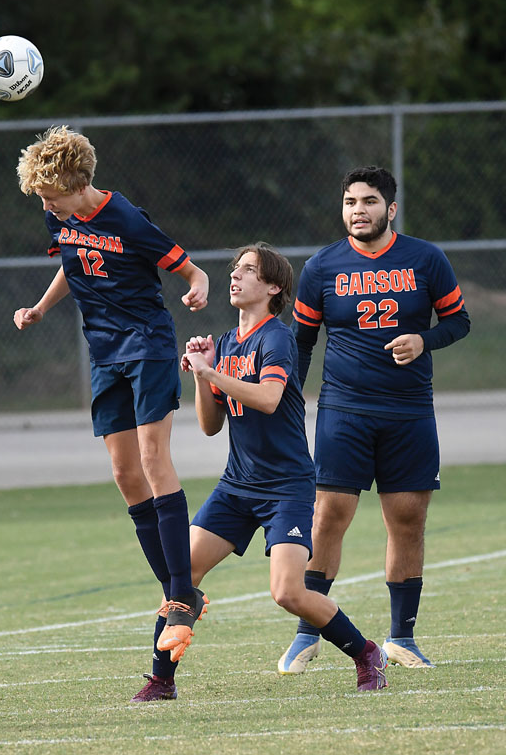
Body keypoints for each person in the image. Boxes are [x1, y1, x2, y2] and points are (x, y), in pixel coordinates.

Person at [131, 243, 388, 702]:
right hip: (237, 486)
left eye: (248, 270)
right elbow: (210, 426)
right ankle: (162, 681)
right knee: (180, 575)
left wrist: (211, 373)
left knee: (287, 592)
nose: (234, 275)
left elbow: (268, 399)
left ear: (272, 287)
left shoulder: (277, 338)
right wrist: (201, 375)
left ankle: (366, 653)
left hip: (286, 487)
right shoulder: (228, 342)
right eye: (235, 268)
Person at [13, 125, 210, 661]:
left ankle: (180, 594)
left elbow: (191, 270)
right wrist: (40, 308)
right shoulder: (62, 217)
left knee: (152, 459)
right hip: (104, 354)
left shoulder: (125, 219)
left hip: (147, 345)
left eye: (52, 197)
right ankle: (179, 590)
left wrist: (198, 288)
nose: (47, 208)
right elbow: (70, 262)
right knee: (125, 474)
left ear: (79, 186)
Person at [278, 166, 471, 675]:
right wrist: (287, 400)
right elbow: (301, 342)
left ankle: (401, 637)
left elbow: (459, 321)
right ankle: (307, 633)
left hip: (409, 410)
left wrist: (424, 339)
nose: (358, 210)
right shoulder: (322, 266)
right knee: (328, 515)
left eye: (369, 201)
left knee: (407, 519)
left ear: (391, 208)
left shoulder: (426, 258)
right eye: (350, 202)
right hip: (344, 409)